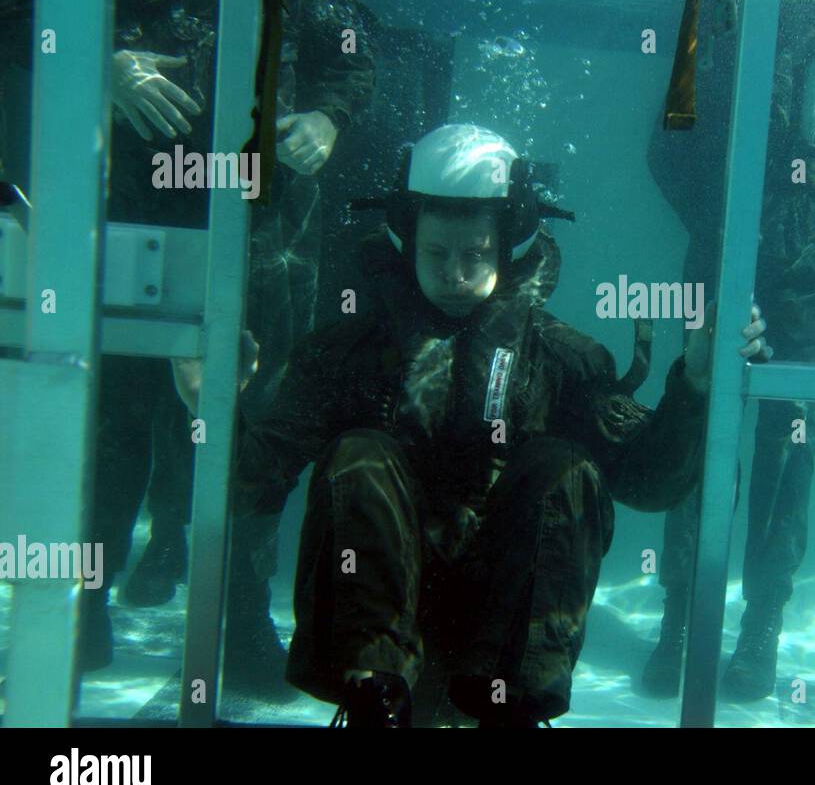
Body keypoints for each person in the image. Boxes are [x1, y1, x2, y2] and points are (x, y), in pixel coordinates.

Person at [171, 123, 772, 726]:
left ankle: (512, 710)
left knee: (566, 470)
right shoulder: (342, 355)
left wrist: (695, 385)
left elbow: (649, 482)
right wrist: (212, 410)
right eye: (437, 254)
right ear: (406, 243)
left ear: (507, 249)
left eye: (474, 255)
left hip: (502, 645)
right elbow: (253, 484)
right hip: (382, 644)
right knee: (359, 455)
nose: (454, 274)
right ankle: (373, 699)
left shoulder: (564, 359)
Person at [0, 0, 376, 694]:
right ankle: (81, 607)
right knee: (109, 412)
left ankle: (240, 615)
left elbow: (347, 49)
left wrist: (327, 115)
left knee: (252, 415)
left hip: (260, 217)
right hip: (125, 200)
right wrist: (98, 60)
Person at [642, 0, 815, 702]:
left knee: (789, 448)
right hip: (720, 274)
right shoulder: (724, 49)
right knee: (700, 434)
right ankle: (679, 617)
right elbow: (666, 150)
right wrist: (720, 228)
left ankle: (761, 626)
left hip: (807, 293)